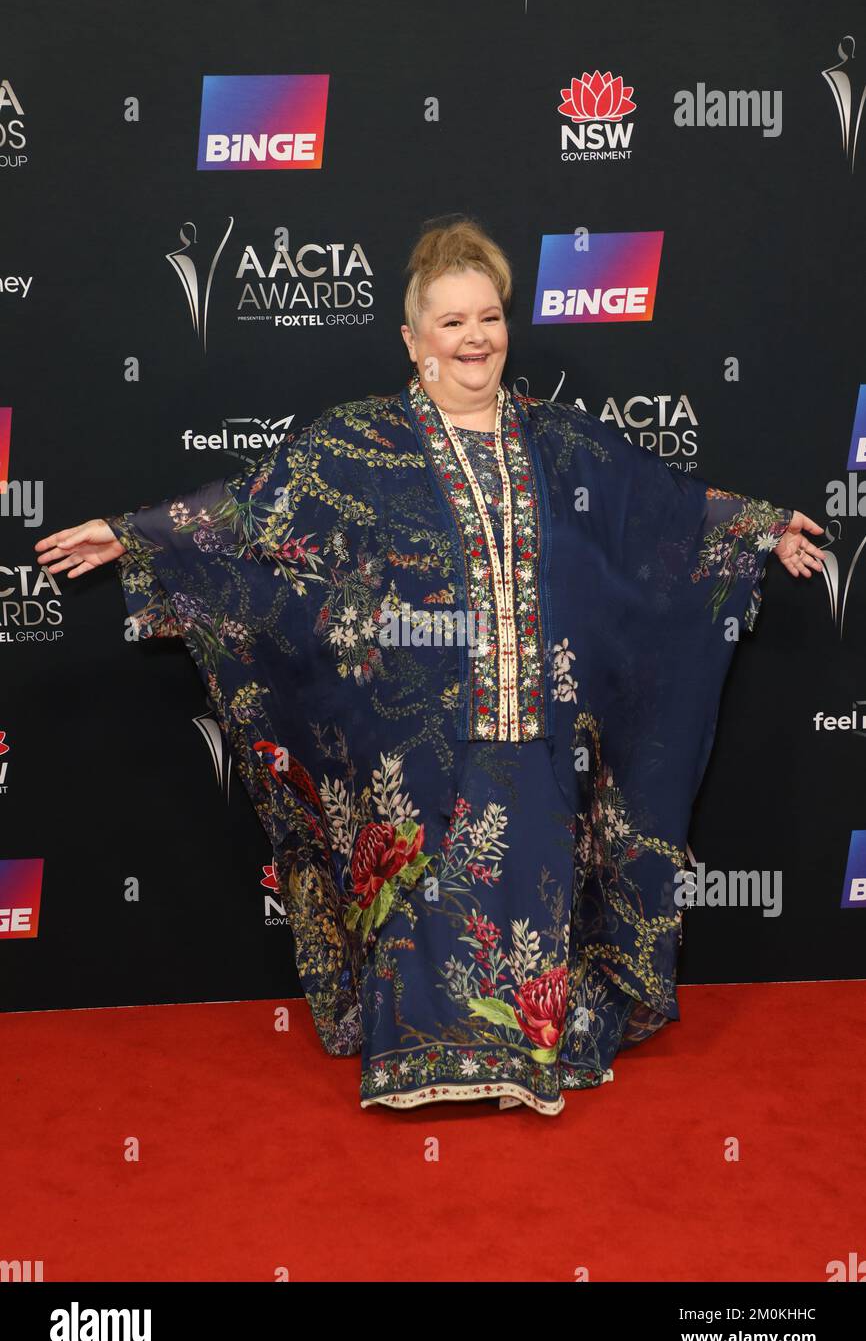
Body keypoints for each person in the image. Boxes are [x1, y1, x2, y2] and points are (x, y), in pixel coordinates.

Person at [34, 218, 826, 1116]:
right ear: (414, 342)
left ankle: (528, 1055)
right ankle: (418, 1054)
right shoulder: (362, 446)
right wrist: (133, 536)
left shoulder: (562, 443)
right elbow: (254, 513)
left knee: (528, 892)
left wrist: (758, 526)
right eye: (451, 323)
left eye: (487, 317)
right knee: (428, 891)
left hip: (537, 729)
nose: (475, 337)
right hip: (414, 735)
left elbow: (661, 513)